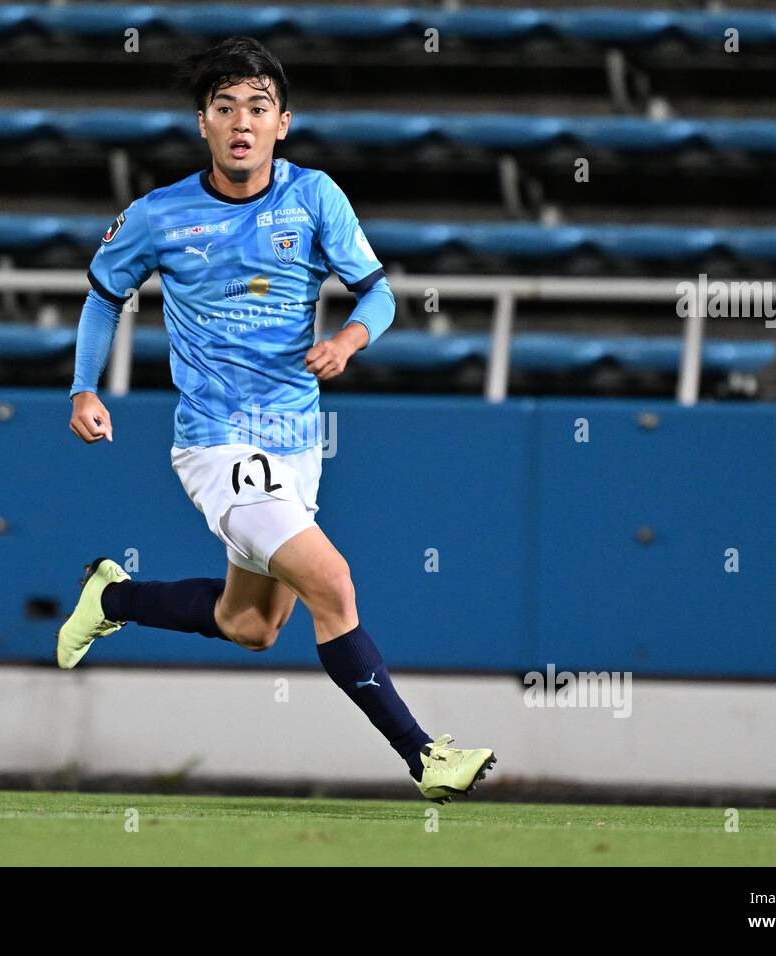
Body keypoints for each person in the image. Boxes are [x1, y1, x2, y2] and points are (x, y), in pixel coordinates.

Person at [58, 36, 495, 803]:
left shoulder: (314, 196)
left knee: (252, 626)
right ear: (203, 122)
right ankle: (425, 755)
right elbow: (103, 296)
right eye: (224, 107)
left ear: (282, 123)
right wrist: (83, 389)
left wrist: (348, 341)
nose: (241, 122)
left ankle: (111, 596)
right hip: (217, 444)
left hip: (297, 445)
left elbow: (379, 294)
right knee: (333, 583)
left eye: (257, 108)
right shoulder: (159, 215)